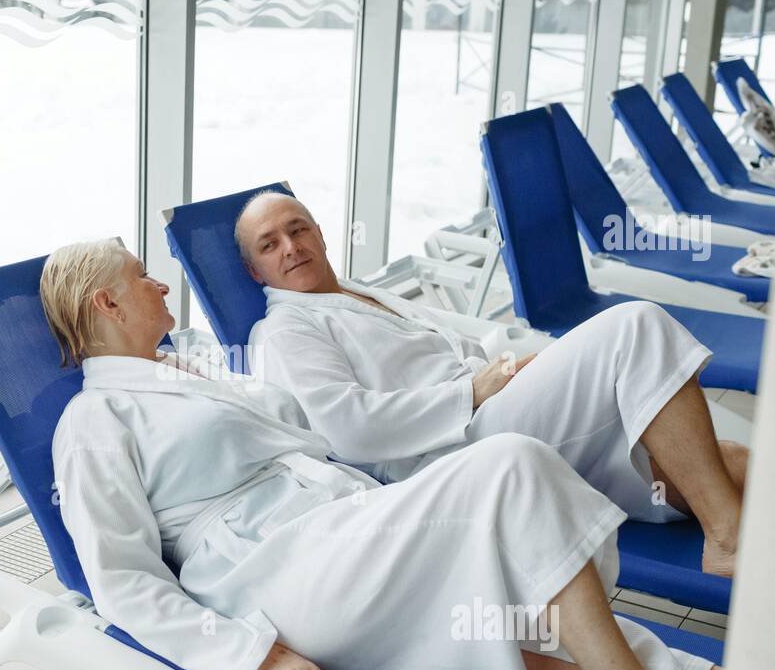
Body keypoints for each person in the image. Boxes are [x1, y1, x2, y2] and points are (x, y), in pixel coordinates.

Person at [43, 238, 721, 670]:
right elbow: (122, 582)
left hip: (342, 525)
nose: (160, 286)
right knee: (510, 468)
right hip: (275, 575)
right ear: (106, 302)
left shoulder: (194, 371)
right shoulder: (94, 419)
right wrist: (258, 656)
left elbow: (317, 431)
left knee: (520, 569)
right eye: (141, 278)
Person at [237, 191, 749, 576]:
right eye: (270, 244)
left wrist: (506, 372)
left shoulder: (357, 294)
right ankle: (726, 538)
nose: (291, 247)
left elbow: (447, 354)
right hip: (452, 453)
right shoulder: (285, 330)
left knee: (727, 460)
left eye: (298, 229)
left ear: (321, 234)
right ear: (255, 271)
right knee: (637, 326)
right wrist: (472, 392)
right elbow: (345, 429)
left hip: (496, 415)